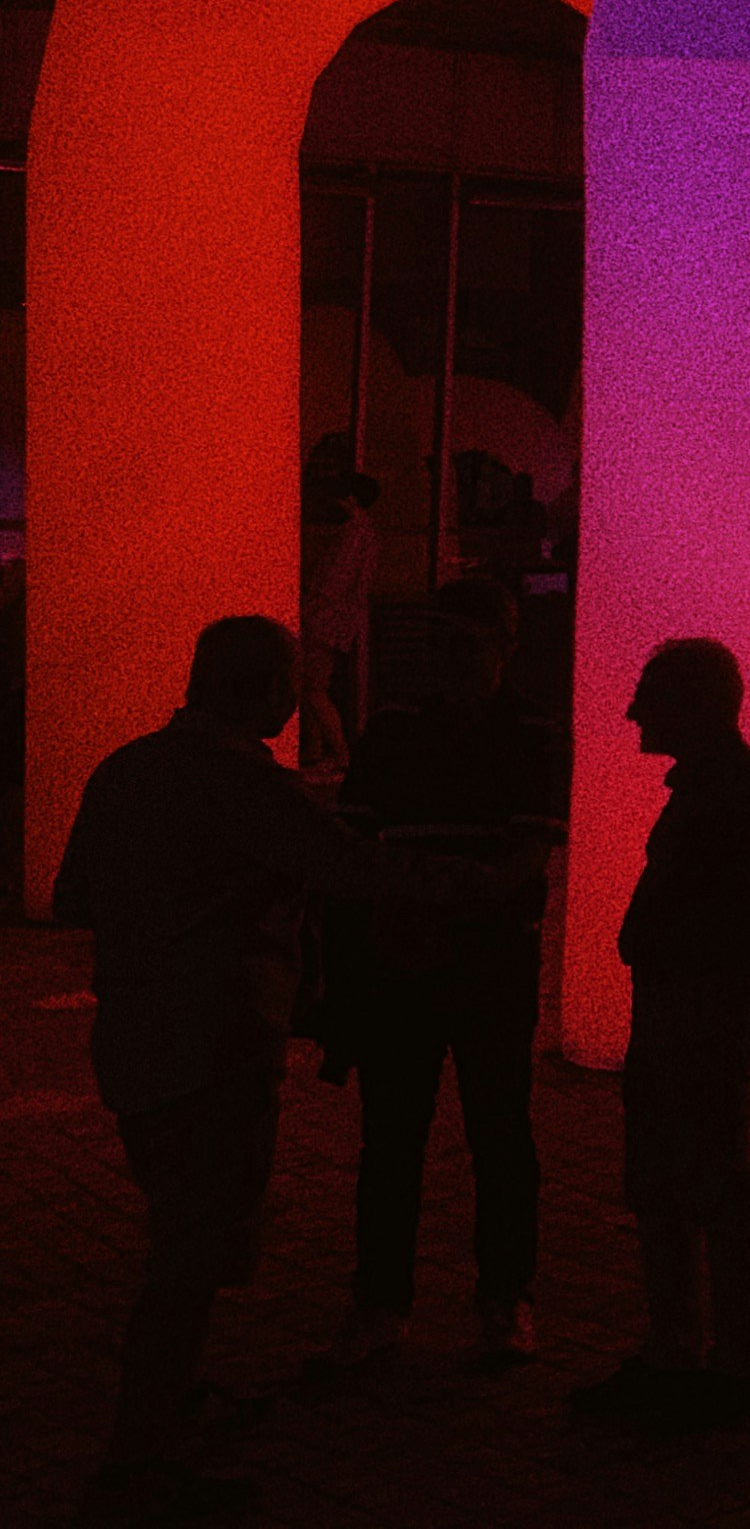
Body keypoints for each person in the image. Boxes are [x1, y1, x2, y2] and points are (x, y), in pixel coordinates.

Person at [52, 615, 534, 1521]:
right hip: (223, 1036)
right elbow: (355, 870)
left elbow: (75, 894)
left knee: (177, 1231)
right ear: (268, 691)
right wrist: (480, 888)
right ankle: (140, 1453)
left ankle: (173, 1399)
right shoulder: (246, 788)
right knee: (193, 1255)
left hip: (133, 1036)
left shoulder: (125, 771)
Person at [319, 578, 567, 1372]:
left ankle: (471, 1299)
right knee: (412, 1135)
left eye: (466, 645)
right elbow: (508, 859)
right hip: (456, 956)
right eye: (445, 646)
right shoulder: (445, 730)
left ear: (502, 647)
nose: (453, 662)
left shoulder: (521, 733)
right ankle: (430, 1301)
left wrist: (408, 905)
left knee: (480, 1133)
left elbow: (372, 848)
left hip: (455, 958)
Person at [571, 638, 750, 1434]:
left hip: (694, 1008)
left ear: (693, 708)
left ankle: (702, 1352)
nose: (634, 712)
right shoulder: (743, 790)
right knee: (695, 1176)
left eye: (650, 697)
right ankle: (712, 1355)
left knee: (692, 1176)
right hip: (694, 1005)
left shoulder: (728, 795)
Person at [298, 470, 381, 779]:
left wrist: (309, 605)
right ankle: (316, 751)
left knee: (313, 687)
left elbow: (335, 581)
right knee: (313, 685)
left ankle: (338, 753)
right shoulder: (365, 533)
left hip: (327, 618)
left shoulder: (353, 534)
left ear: (349, 499)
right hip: (336, 618)